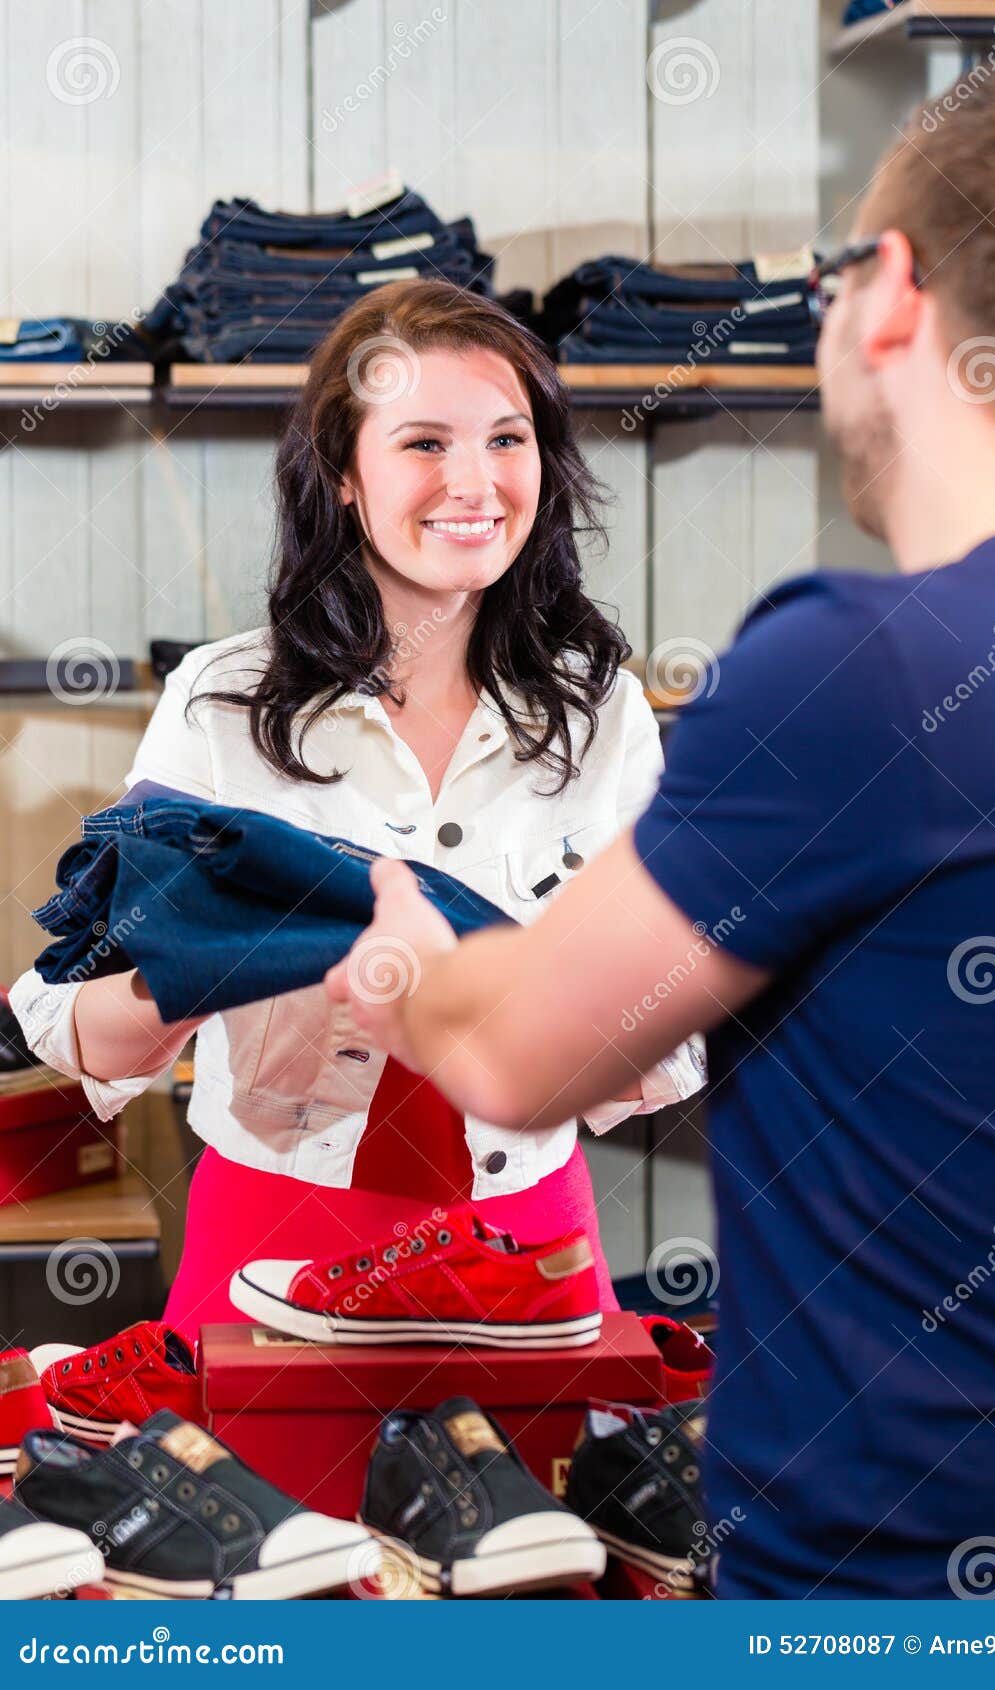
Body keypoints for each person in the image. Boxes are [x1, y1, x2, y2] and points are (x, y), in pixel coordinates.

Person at [326, 59, 995, 1598]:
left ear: (888, 298)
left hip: (900, 1593)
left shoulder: (869, 672)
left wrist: (412, 956)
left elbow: (522, 1053)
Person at [11, 279, 702, 1341]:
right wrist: (221, 960)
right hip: (274, 1243)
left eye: (506, 439)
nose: (474, 481)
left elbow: (672, 1033)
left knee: (552, 1514)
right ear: (342, 472)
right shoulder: (220, 700)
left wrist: (535, 999)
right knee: (273, 1514)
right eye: (423, 442)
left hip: (529, 1249)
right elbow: (73, 1029)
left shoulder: (597, 709)